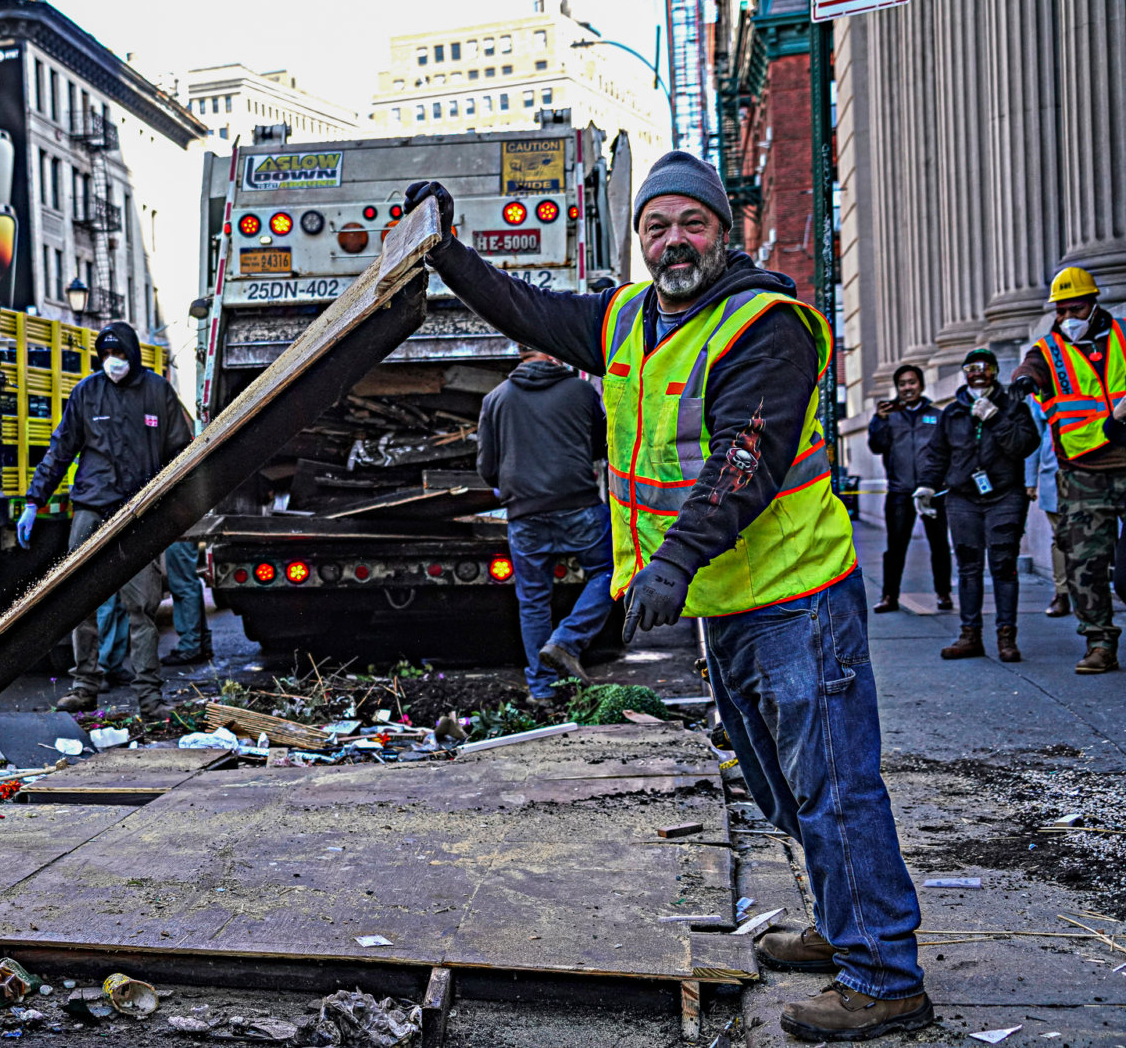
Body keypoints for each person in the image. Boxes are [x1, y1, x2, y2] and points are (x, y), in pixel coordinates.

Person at [407, 152, 930, 1042]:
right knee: (781, 785)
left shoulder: (765, 326)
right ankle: (844, 924)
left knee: (834, 784)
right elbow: (523, 307)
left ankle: (884, 973)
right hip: (730, 601)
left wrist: (674, 561)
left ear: (724, 232)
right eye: (657, 226)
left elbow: (744, 457)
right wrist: (446, 249)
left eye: (693, 222)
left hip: (797, 595)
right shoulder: (626, 319)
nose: (673, 241)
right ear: (639, 239)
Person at [18, 321, 191, 718]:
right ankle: (84, 687)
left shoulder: (158, 392)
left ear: (134, 355)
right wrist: (33, 500)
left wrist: (174, 509)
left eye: (120, 354)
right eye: (107, 355)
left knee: (142, 607)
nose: (113, 362)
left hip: (139, 513)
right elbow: (61, 449)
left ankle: (149, 698)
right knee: (81, 600)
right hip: (92, 509)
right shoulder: (87, 392)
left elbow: (181, 453)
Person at [476, 344, 613, 699]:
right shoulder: (581, 390)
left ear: (519, 354)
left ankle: (541, 689)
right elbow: (601, 446)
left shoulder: (495, 398)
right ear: (554, 353)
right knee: (611, 571)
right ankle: (567, 639)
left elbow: (487, 469)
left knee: (534, 601)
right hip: (578, 505)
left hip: (524, 515)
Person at [1011, 266, 1126, 675]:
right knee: (1083, 561)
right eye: (1060, 311)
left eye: (1074, 309)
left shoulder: (1123, 335)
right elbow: (1029, 367)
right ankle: (1099, 643)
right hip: (1081, 471)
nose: (1066, 318)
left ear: (1094, 304)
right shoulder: (1048, 349)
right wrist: (1023, 381)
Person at [915, 350, 1038, 662]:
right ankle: (969, 635)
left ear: (995, 372)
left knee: (1003, 565)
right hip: (963, 497)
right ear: (964, 373)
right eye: (971, 368)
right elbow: (937, 454)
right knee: (968, 566)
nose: (978, 373)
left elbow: (1024, 445)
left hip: (1005, 495)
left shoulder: (1013, 406)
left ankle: (1007, 637)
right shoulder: (952, 413)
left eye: (985, 367)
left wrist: (995, 418)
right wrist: (927, 486)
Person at [866, 365, 952, 613]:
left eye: (912, 382)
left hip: (932, 491)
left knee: (939, 544)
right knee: (895, 547)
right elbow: (877, 446)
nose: (907, 388)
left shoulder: (937, 416)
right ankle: (889, 596)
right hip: (900, 491)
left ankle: (944, 593)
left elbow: (947, 450)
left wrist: (942, 481)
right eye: (902, 384)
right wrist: (879, 420)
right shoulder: (888, 416)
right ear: (897, 388)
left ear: (921, 385)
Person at [1024, 398, 1071, 617]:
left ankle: (1093, 596)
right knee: (1060, 537)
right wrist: (1030, 480)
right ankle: (1062, 593)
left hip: (1096, 470)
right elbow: (1034, 439)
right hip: (1055, 474)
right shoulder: (1039, 393)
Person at [161, 539, 212, 666]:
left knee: (183, 585)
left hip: (177, 535)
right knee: (188, 583)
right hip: (182, 536)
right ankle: (200, 644)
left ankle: (191, 646)